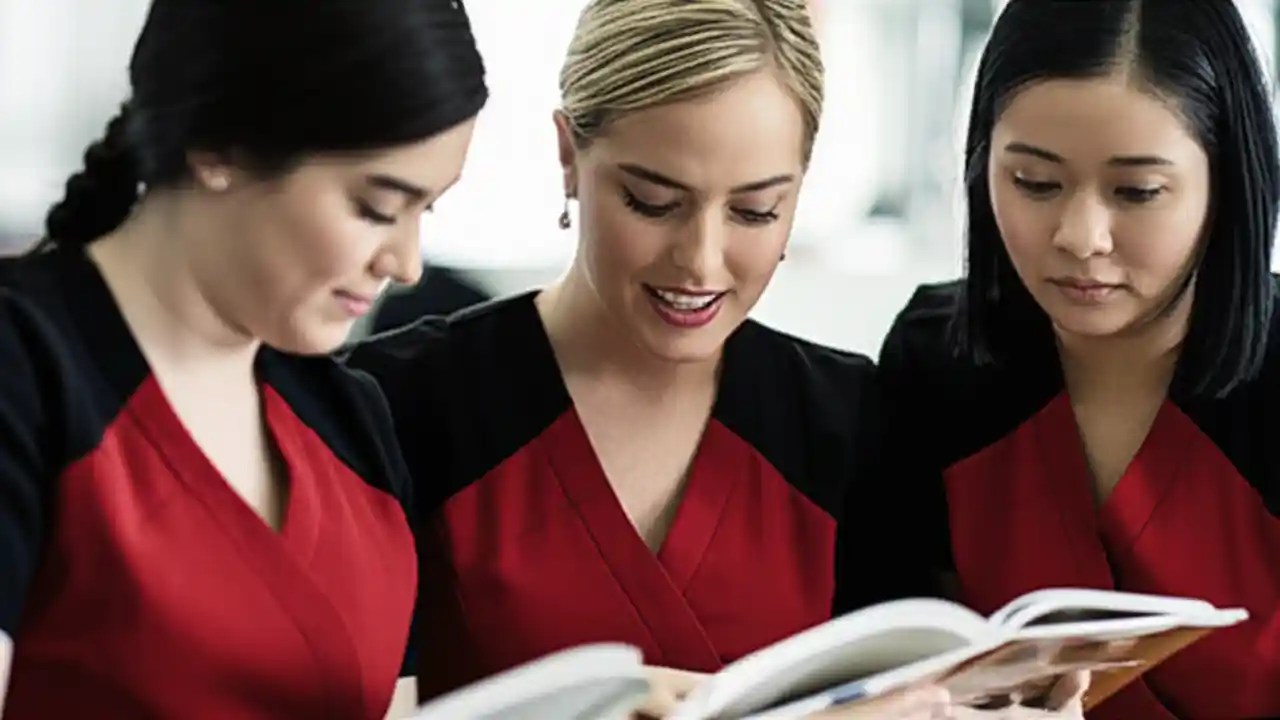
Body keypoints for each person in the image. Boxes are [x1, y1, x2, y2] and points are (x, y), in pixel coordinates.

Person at [345, 1, 1085, 717]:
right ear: (570, 155)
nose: (700, 262)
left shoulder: (854, 421)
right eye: (651, 201)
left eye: (754, 210)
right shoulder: (395, 406)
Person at [0, 0, 486, 717]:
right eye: (378, 208)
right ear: (219, 147)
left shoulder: (351, 420)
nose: (406, 263)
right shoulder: (25, 371)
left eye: (428, 212)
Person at [877, 1, 1280, 718]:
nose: (1080, 236)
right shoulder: (934, 362)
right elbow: (883, 655)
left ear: (1227, 181)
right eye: (1034, 183)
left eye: (1137, 192)